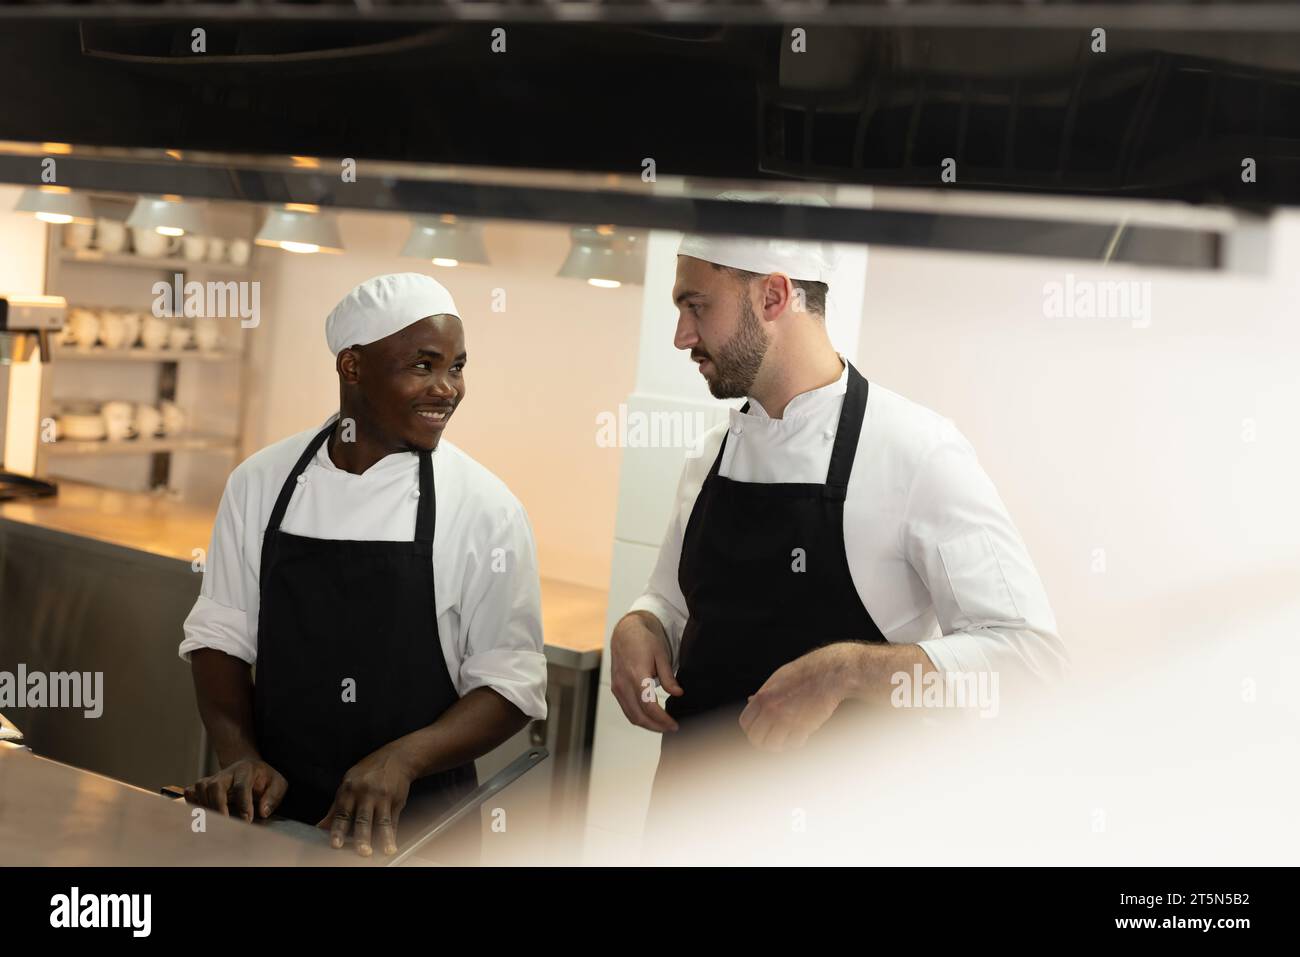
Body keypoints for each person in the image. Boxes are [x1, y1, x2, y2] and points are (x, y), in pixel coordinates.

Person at [608, 227, 1068, 836]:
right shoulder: (710, 453)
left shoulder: (917, 452)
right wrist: (637, 625)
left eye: (696, 306)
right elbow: (667, 602)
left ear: (774, 297)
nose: (681, 336)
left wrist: (847, 670)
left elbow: (1031, 662)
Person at [179, 273, 546, 859]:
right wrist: (240, 757)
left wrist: (403, 759)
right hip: (275, 820)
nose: (447, 389)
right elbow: (219, 637)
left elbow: (511, 685)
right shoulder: (261, 482)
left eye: (457, 367)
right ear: (352, 367)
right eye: (423, 366)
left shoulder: (485, 509)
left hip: (419, 836)